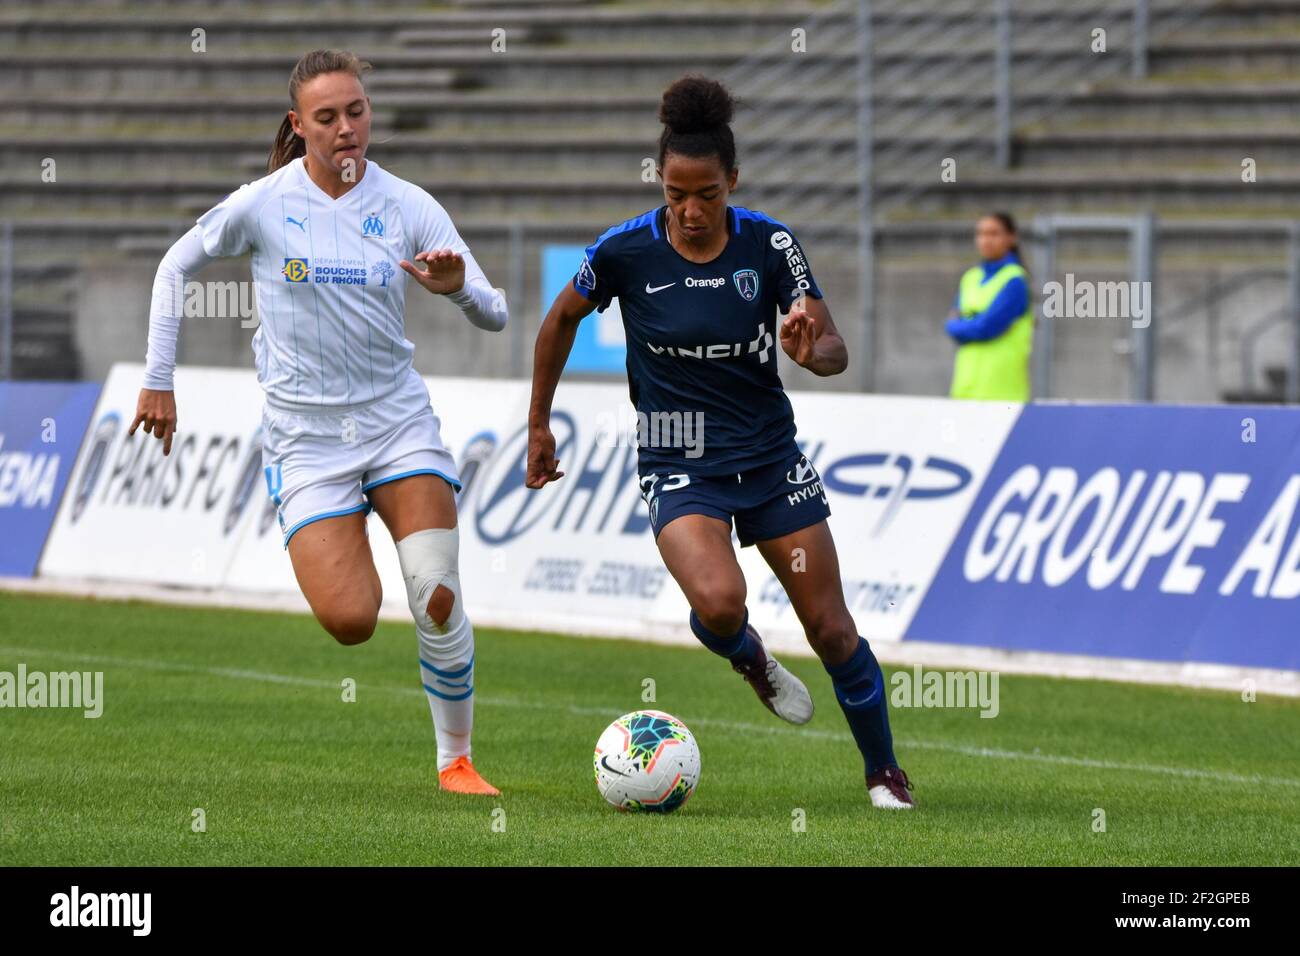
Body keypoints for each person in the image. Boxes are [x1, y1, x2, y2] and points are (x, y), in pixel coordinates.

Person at [525, 75, 914, 808]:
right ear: (661, 183)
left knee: (832, 630)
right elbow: (558, 321)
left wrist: (808, 350)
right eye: (676, 193)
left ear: (732, 180)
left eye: (706, 192)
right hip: (676, 461)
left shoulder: (771, 244)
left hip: (769, 458)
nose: (692, 210)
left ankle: (883, 772)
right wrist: (539, 423)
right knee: (721, 600)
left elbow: (833, 348)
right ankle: (750, 659)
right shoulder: (625, 251)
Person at [128, 49, 507, 795]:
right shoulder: (264, 204)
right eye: (327, 118)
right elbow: (174, 267)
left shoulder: (407, 205)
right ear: (299, 126)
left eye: (356, 112)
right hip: (306, 441)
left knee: (435, 591)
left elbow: (493, 311)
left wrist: (459, 289)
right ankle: (346, 521)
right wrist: (158, 379)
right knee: (351, 620)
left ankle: (455, 762)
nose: (345, 130)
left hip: (397, 423)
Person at [945, 211, 1033, 402]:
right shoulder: (970, 277)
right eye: (981, 234)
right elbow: (950, 325)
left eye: (994, 233)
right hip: (965, 387)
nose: (986, 240)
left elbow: (987, 327)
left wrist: (962, 325)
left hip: (1001, 392)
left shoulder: (1014, 280)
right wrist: (964, 325)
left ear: (1011, 238)